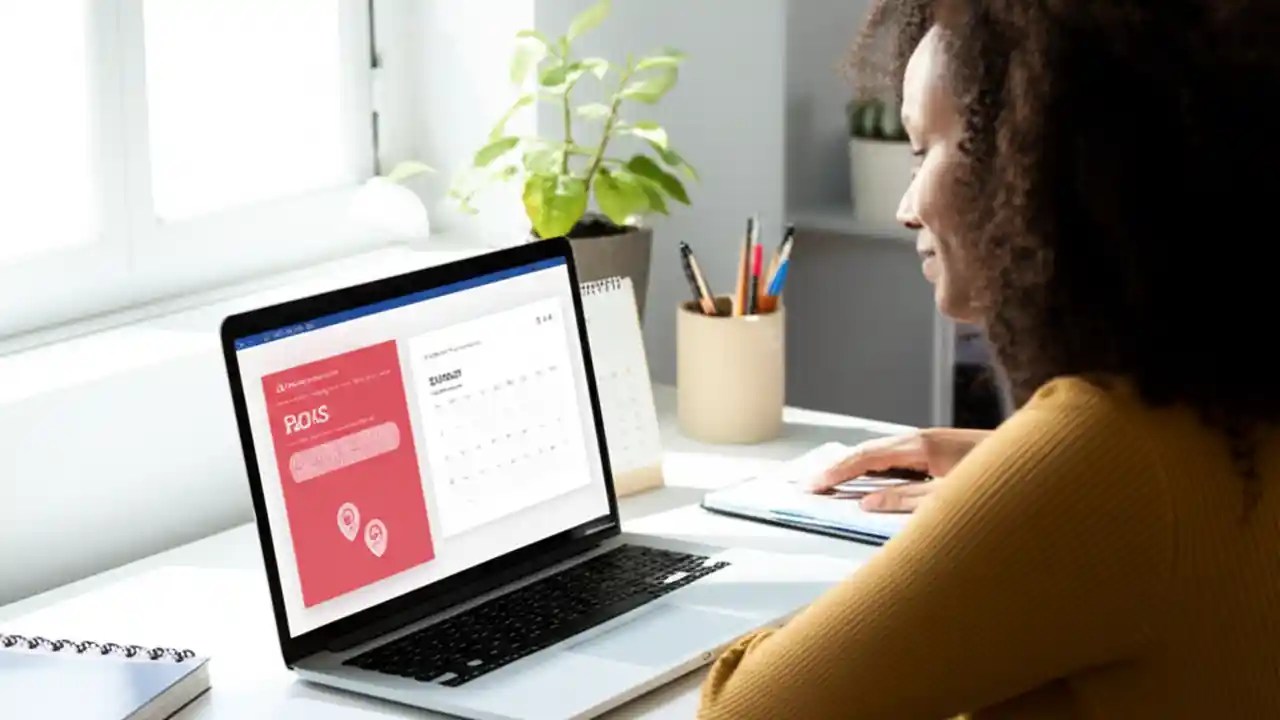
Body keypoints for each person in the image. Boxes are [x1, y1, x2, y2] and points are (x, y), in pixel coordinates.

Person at [696, 0, 1280, 717]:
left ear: (1034, 163)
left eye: (921, 150)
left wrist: (958, 547)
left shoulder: (1106, 454)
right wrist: (1007, 461)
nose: (906, 207)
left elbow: (746, 711)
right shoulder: (1223, 412)